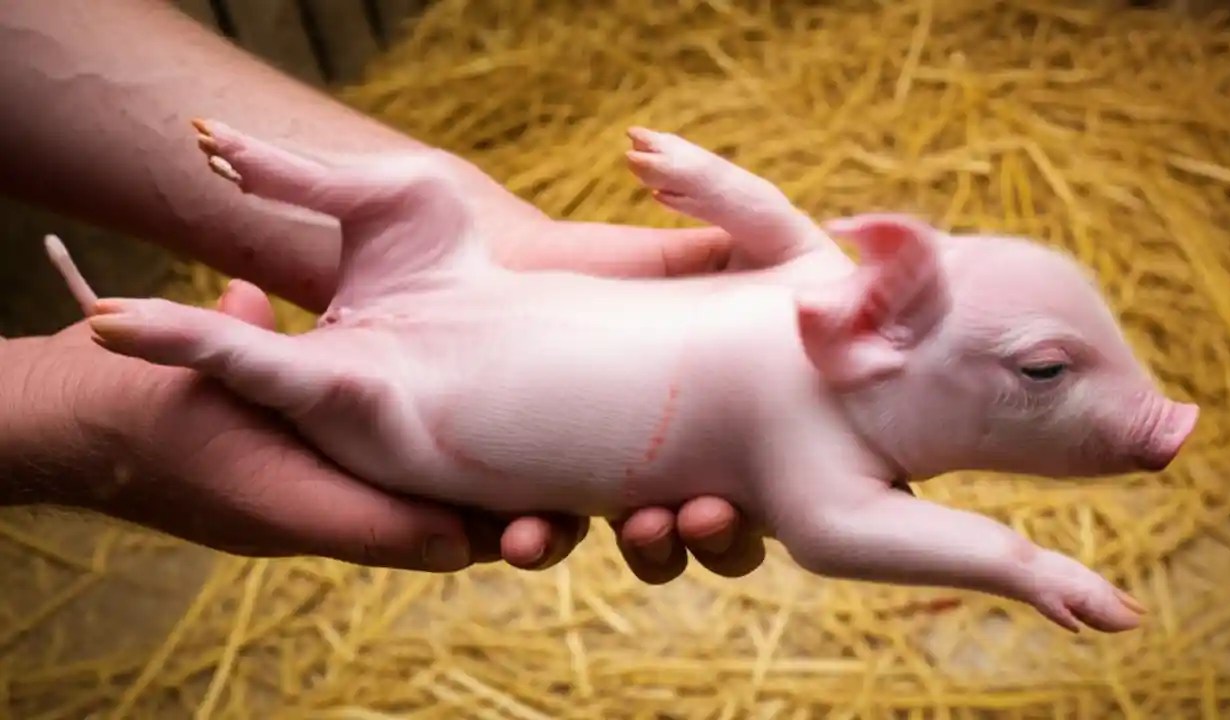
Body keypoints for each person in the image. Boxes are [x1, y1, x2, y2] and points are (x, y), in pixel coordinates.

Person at [0, 1, 766, 584]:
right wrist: (50, 402)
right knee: (314, 372)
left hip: (450, 296)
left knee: (429, 191)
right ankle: (216, 290)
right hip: (413, 383)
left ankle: (262, 183)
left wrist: (494, 245)